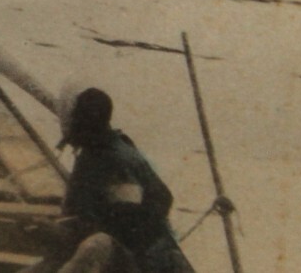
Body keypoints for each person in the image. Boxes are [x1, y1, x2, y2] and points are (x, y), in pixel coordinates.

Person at [24, 89, 194, 273]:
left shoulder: (117, 163)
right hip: (126, 253)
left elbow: (126, 231)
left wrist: (58, 233)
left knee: (94, 246)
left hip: (141, 263)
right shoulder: (96, 153)